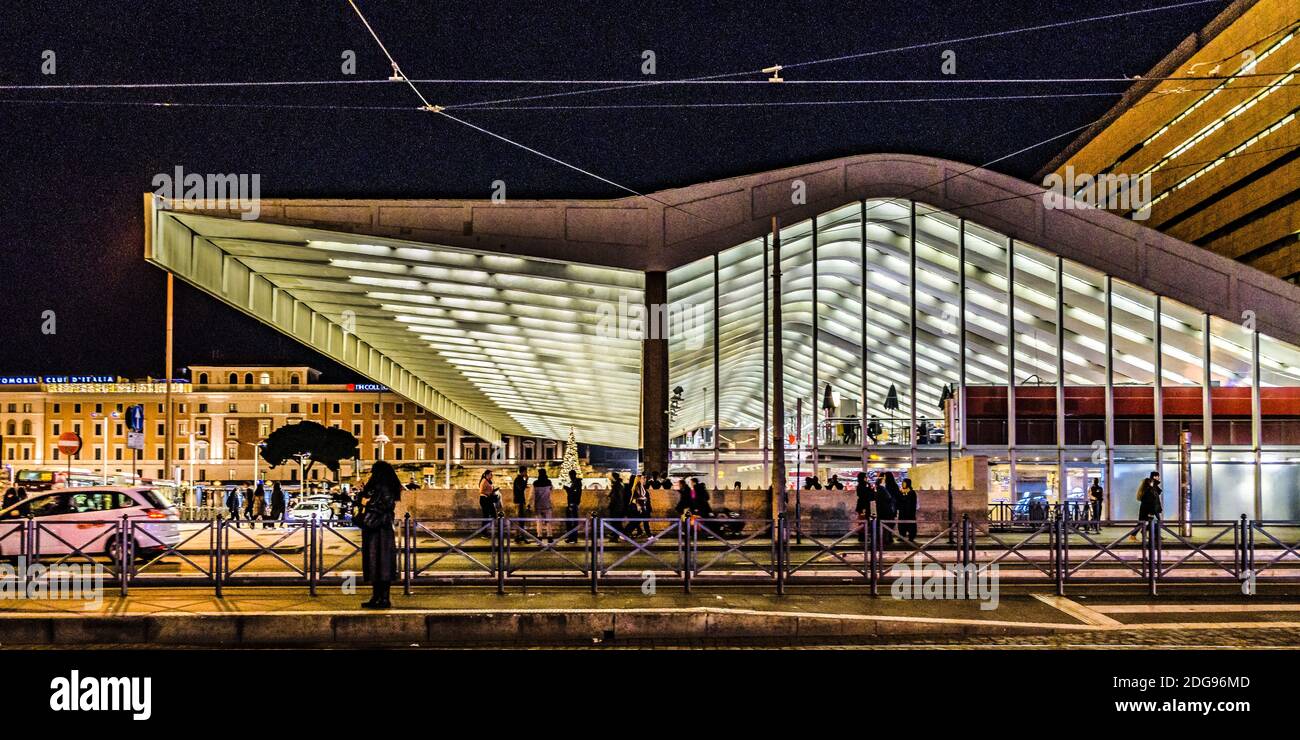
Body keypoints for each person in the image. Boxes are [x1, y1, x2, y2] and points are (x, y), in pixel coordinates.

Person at [356, 460, 401, 609]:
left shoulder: (384, 487)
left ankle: (383, 598)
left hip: (379, 529)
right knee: (376, 564)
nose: (371, 474)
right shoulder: (381, 487)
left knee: (381, 564)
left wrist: (366, 504)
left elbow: (382, 505)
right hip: (378, 529)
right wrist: (363, 493)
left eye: (373, 471)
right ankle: (377, 597)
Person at [1132, 470, 1163, 542]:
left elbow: (1156, 497)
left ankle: (1156, 536)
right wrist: (1151, 511)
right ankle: (1135, 535)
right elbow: (1150, 499)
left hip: (1152, 507)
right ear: (1154, 476)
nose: (1159, 478)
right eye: (1158, 476)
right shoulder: (1149, 488)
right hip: (1149, 508)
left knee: (1153, 522)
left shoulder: (1153, 487)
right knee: (1146, 522)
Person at [533, 468, 555, 543]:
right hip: (547, 505)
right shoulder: (549, 482)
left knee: (539, 522)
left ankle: (539, 537)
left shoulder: (535, 483)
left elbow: (532, 495)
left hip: (538, 505)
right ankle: (549, 536)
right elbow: (552, 490)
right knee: (548, 522)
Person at [876, 474, 898, 545]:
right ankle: (886, 539)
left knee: (888, 523)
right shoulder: (882, 488)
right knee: (887, 523)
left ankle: (887, 538)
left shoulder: (887, 487)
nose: (884, 479)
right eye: (883, 478)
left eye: (885, 477)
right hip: (886, 509)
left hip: (888, 508)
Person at [895, 477, 918, 542]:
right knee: (901, 524)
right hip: (902, 511)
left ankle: (911, 537)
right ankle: (902, 536)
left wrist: (904, 495)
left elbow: (907, 501)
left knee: (911, 525)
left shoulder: (912, 492)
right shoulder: (901, 491)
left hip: (910, 512)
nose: (903, 484)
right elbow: (899, 500)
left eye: (904, 483)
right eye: (903, 483)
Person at [564, 469, 582, 543]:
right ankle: (572, 537)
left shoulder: (576, 483)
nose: (570, 477)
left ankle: (572, 538)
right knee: (572, 521)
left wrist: (567, 489)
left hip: (573, 503)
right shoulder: (576, 482)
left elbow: (574, 493)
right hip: (573, 503)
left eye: (570, 475)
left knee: (572, 522)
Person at [512, 467, 530, 543]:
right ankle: (518, 536)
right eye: (525, 472)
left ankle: (520, 536)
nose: (526, 473)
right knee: (520, 519)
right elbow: (521, 488)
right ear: (522, 472)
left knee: (521, 520)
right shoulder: (518, 479)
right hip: (519, 502)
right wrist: (526, 480)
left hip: (519, 501)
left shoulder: (519, 479)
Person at [853, 473, 871, 543]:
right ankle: (862, 537)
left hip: (862, 505)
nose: (866, 478)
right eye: (865, 477)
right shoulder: (862, 486)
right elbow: (866, 495)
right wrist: (869, 487)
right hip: (863, 506)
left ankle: (862, 536)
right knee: (864, 521)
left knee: (863, 521)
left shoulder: (861, 485)